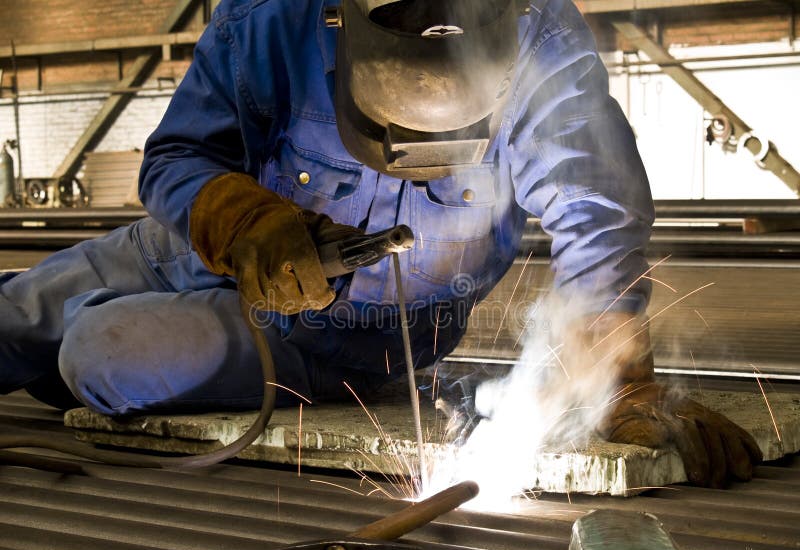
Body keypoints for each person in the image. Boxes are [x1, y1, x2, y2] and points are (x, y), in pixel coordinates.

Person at [0, 0, 760, 486]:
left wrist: (616, 377)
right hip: (185, 248)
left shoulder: (539, 37)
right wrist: (244, 222)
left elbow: (596, 208)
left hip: (322, 344)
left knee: (97, 349)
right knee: (15, 319)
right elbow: (174, 159)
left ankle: (74, 356)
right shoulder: (270, 20)